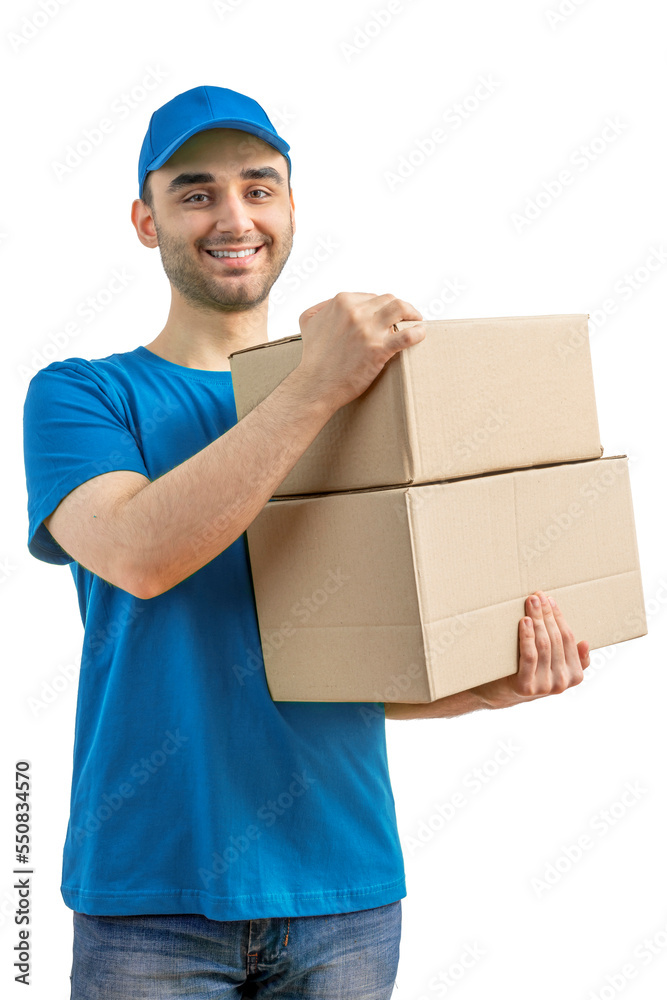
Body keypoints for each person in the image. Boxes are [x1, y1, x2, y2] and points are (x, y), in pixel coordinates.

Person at [22, 85, 591, 999]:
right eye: (196, 192)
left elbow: (341, 664)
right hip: (150, 899)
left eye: (260, 187)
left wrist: (490, 682)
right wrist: (315, 387)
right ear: (145, 220)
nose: (233, 215)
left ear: (290, 209)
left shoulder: (365, 403)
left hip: (342, 891)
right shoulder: (85, 396)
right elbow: (140, 554)